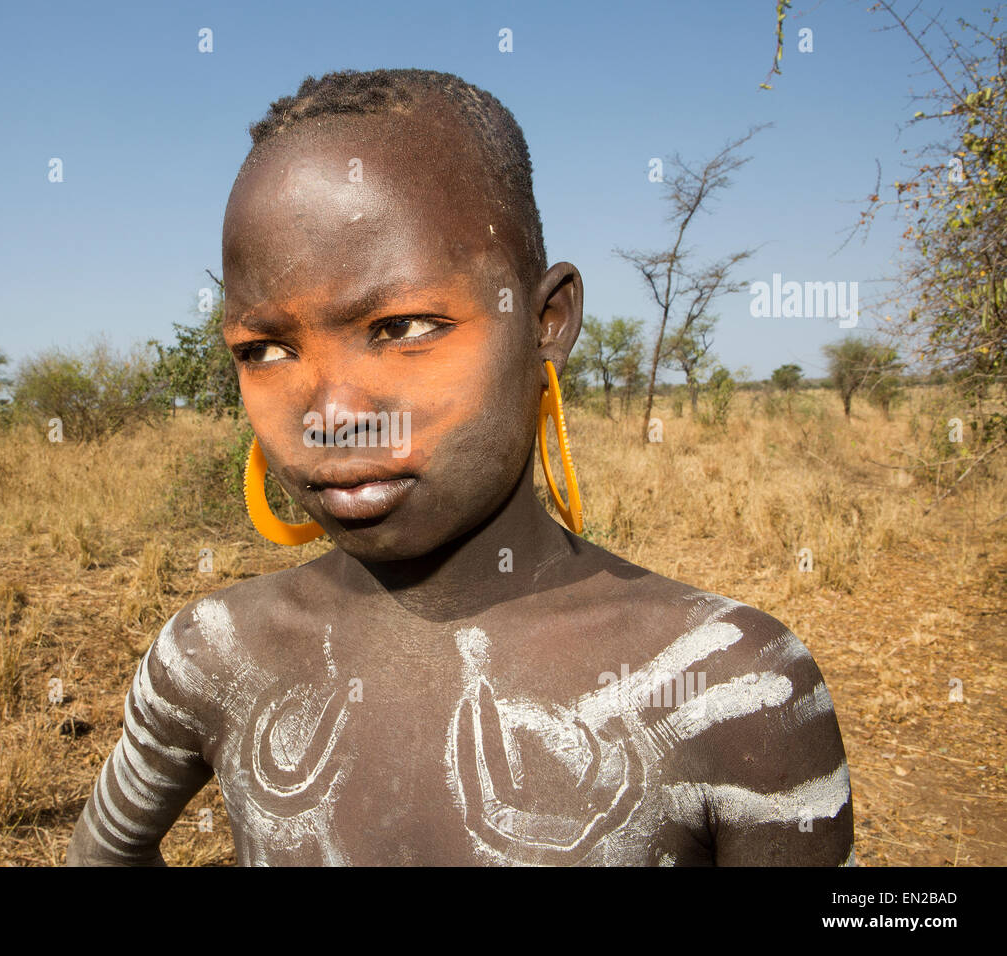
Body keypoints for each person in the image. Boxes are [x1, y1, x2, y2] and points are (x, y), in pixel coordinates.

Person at [66, 68, 855, 866]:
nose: (332, 414)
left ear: (546, 321)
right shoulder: (213, 655)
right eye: (267, 349)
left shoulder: (725, 687)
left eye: (404, 326)